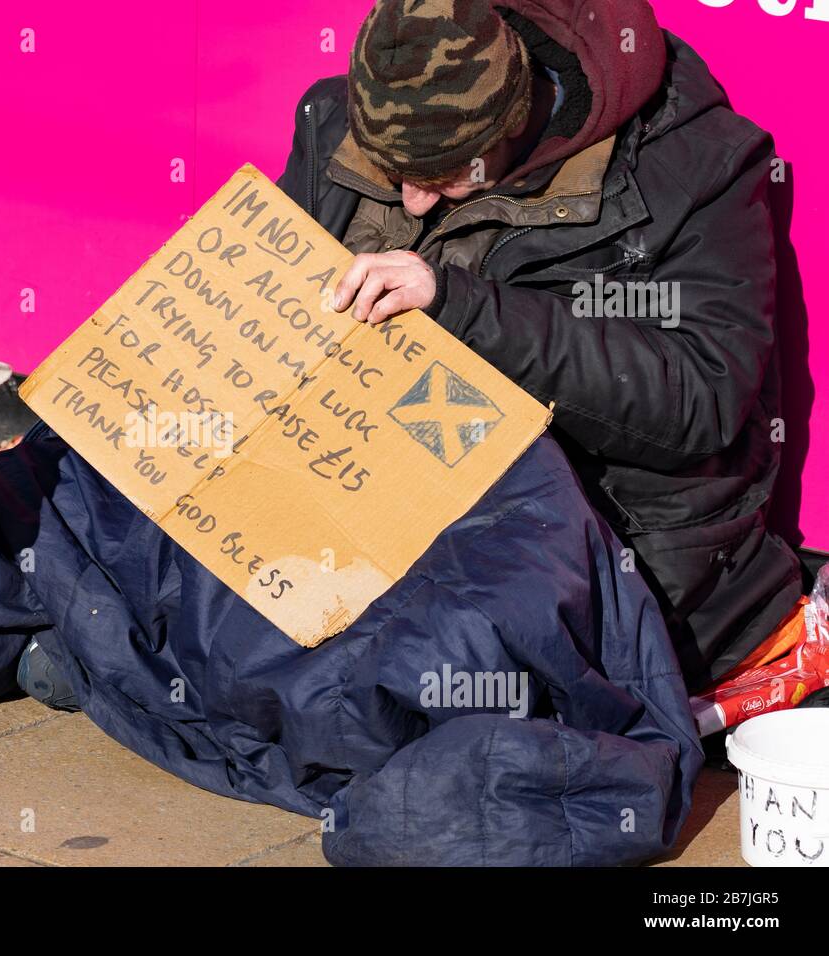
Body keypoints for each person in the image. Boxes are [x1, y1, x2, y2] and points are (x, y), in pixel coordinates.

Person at [276, 0, 801, 693]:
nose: (413, 203)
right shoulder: (354, 115)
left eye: (439, 177)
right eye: (394, 171)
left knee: (410, 692)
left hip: (596, 541)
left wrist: (461, 308)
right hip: (380, 495)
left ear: (514, 129)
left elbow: (701, 399)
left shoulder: (693, 168)